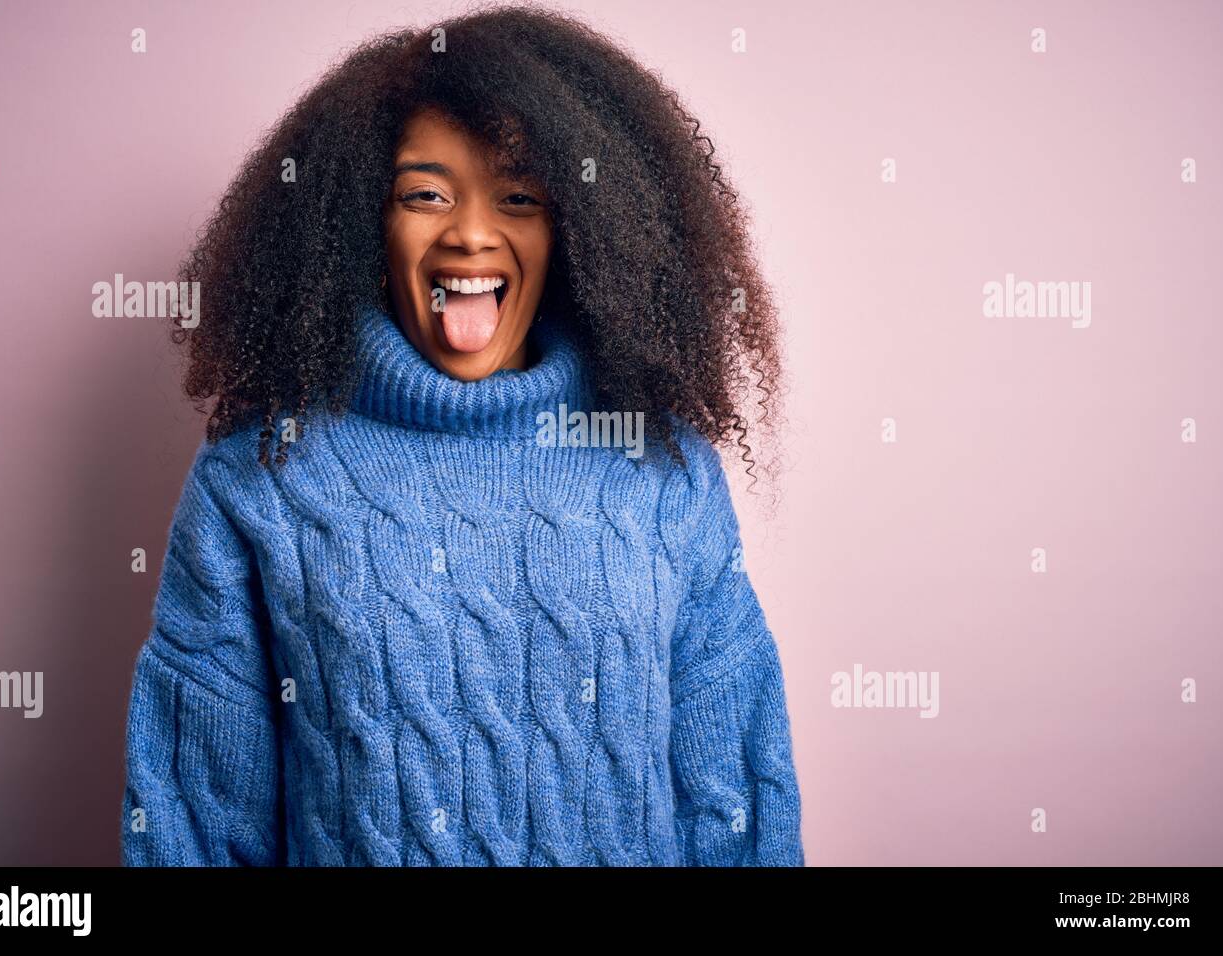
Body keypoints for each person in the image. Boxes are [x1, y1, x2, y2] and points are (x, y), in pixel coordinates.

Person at [120, 3, 804, 866]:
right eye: (425, 194)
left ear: (579, 232)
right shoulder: (261, 477)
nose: (473, 232)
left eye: (519, 196)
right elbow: (192, 824)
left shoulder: (663, 469)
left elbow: (735, 804)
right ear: (358, 225)